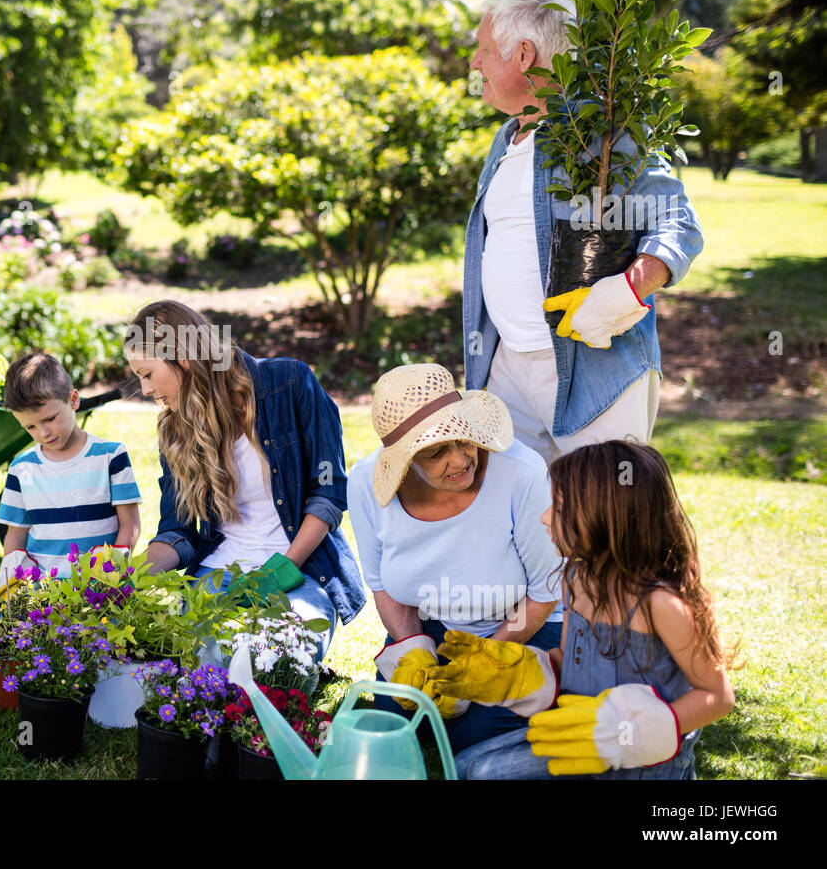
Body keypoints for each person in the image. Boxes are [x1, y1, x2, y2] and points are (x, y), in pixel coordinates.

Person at [463, 0, 704, 463]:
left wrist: (627, 292)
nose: (474, 63)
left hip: (593, 370)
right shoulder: (506, 138)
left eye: (484, 50)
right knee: (526, 525)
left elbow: (677, 222)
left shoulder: (604, 133)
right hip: (509, 365)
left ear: (525, 55)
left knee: (604, 524)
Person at [438, 441, 736, 779]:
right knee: (466, 767)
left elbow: (718, 695)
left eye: (561, 508)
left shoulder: (664, 605)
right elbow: (573, 661)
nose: (545, 517)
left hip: (641, 764)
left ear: (609, 518)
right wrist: (520, 675)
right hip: (580, 741)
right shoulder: (576, 579)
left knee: (486, 775)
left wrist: (627, 735)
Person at [125, 300, 365, 656]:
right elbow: (178, 530)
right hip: (217, 572)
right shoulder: (176, 429)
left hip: (298, 568)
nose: (145, 390)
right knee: (203, 657)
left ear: (181, 356)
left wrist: (281, 570)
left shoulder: (291, 383)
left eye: (147, 373)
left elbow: (328, 495)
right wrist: (127, 580)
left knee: (285, 651)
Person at [347, 363, 564, 753]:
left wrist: (484, 659)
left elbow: (545, 590)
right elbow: (382, 584)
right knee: (393, 721)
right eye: (436, 452)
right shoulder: (364, 483)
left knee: (466, 735)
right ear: (405, 458)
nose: (461, 460)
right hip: (433, 627)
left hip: (521, 625)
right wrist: (413, 648)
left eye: (465, 439)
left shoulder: (520, 472)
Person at [0, 351, 141, 584]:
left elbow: (130, 526)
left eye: (50, 419)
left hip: (101, 592)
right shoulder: (21, 468)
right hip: (42, 597)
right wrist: (11, 585)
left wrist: (109, 575)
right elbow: (16, 536)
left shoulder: (110, 457)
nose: (43, 433)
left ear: (73, 400)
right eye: (30, 426)